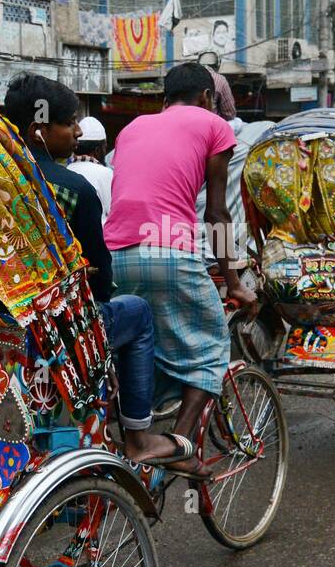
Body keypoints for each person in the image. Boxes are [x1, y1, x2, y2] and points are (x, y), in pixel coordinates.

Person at [3, 74, 202, 476]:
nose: (77, 130)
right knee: (138, 313)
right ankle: (139, 436)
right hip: (58, 332)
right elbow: (99, 273)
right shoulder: (72, 187)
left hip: (3, 325)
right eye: (68, 122)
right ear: (39, 130)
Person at [104, 62, 258, 451]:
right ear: (207, 98)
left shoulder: (131, 129)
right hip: (170, 252)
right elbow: (217, 213)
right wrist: (235, 283)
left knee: (146, 345)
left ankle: (134, 439)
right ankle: (181, 446)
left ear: (164, 98)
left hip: (116, 257)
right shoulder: (215, 125)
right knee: (210, 349)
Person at [67, 115, 114, 222]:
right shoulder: (106, 173)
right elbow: (113, 212)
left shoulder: (67, 169)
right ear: (97, 150)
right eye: (104, 147)